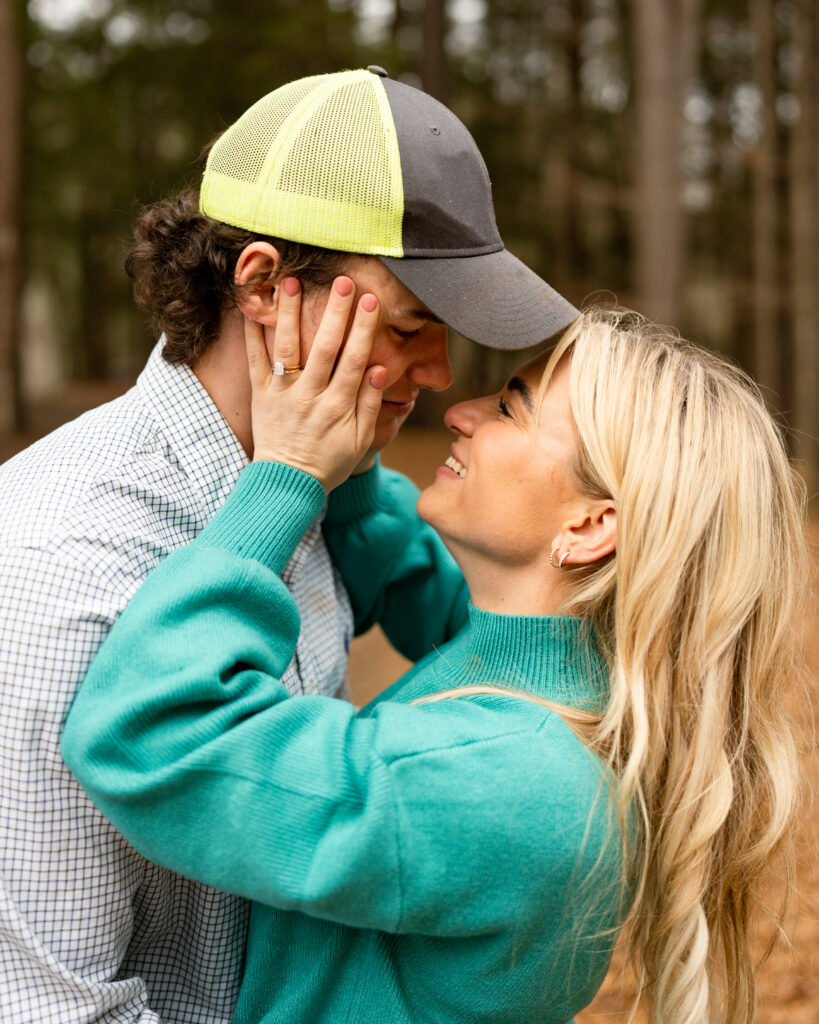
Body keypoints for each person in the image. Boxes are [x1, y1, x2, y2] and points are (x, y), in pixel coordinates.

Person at [0, 69, 578, 1022]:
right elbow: (48, 1006)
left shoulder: (308, 490)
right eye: (410, 325)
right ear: (265, 285)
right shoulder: (62, 568)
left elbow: (497, 622)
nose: (440, 374)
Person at [62, 288, 806, 1024]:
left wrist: (286, 476)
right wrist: (352, 446)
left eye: (511, 408)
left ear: (589, 527)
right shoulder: (572, 672)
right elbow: (404, 568)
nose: (460, 410)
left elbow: (151, 736)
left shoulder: (516, 786)